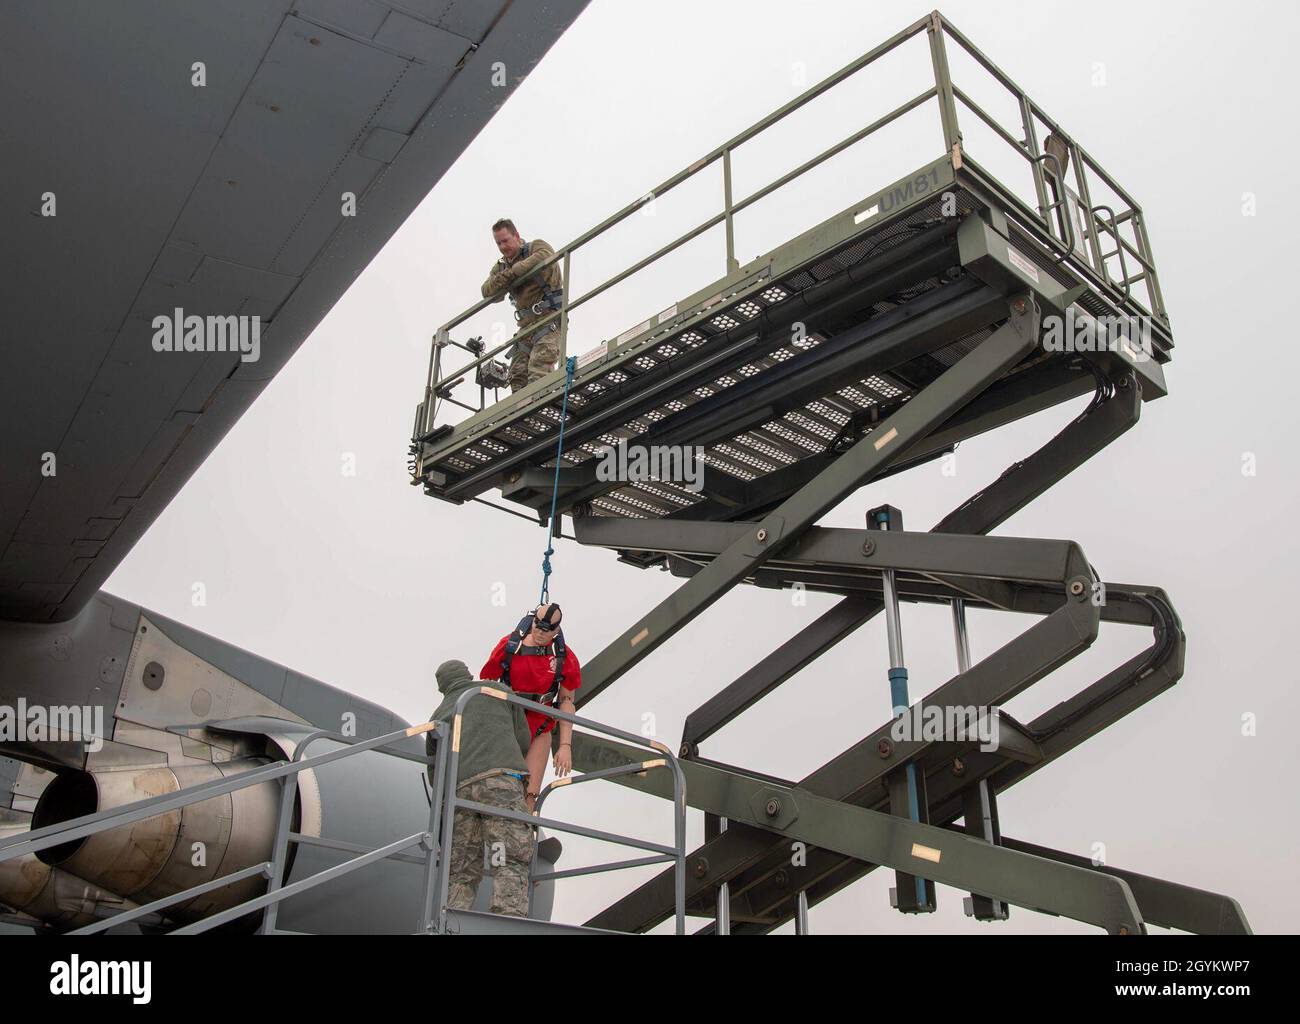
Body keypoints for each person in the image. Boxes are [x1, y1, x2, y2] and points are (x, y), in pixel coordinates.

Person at [427, 658, 534, 917]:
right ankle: (507, 918)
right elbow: (523, 739)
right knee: (507, 855)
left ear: (442, 687)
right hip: (501, 782)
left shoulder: (438, 715)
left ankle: (452, 919)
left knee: (462, 868)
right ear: (467, 674)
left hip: (460, 794)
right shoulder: (495, 690)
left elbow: (434, 770)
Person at [480, 602, 581, 810]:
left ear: (556, 631)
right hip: (508, 722)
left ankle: (525, 827)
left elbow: (566, 701)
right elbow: (486, 687)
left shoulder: (563, 657)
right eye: (537, 625)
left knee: (530, 795)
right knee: (496, 784)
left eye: (547, 630)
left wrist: (565, 745)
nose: (540, 633)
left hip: (540, 725)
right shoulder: (510, 646)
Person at [481, 219, 564, 392]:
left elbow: (546, 255)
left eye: (505, 241)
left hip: (548, 319)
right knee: (517, 377)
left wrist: (516, 271)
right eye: (498, 243)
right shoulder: (502, 266)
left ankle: (540, 404)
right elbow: (487, 291)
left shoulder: (535, 247)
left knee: (539, 370)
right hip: (525, 328)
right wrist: (509, 275)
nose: (503, 247)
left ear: (517, 236)